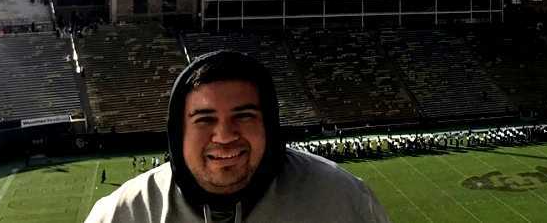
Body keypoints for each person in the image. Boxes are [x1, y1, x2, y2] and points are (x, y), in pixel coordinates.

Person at [86, 50, 389, 222]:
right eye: (205, 119)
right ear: (179, 132)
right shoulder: (123, 214)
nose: (224, 135)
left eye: (244, 116)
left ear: (269, 125)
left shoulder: (344, 201)